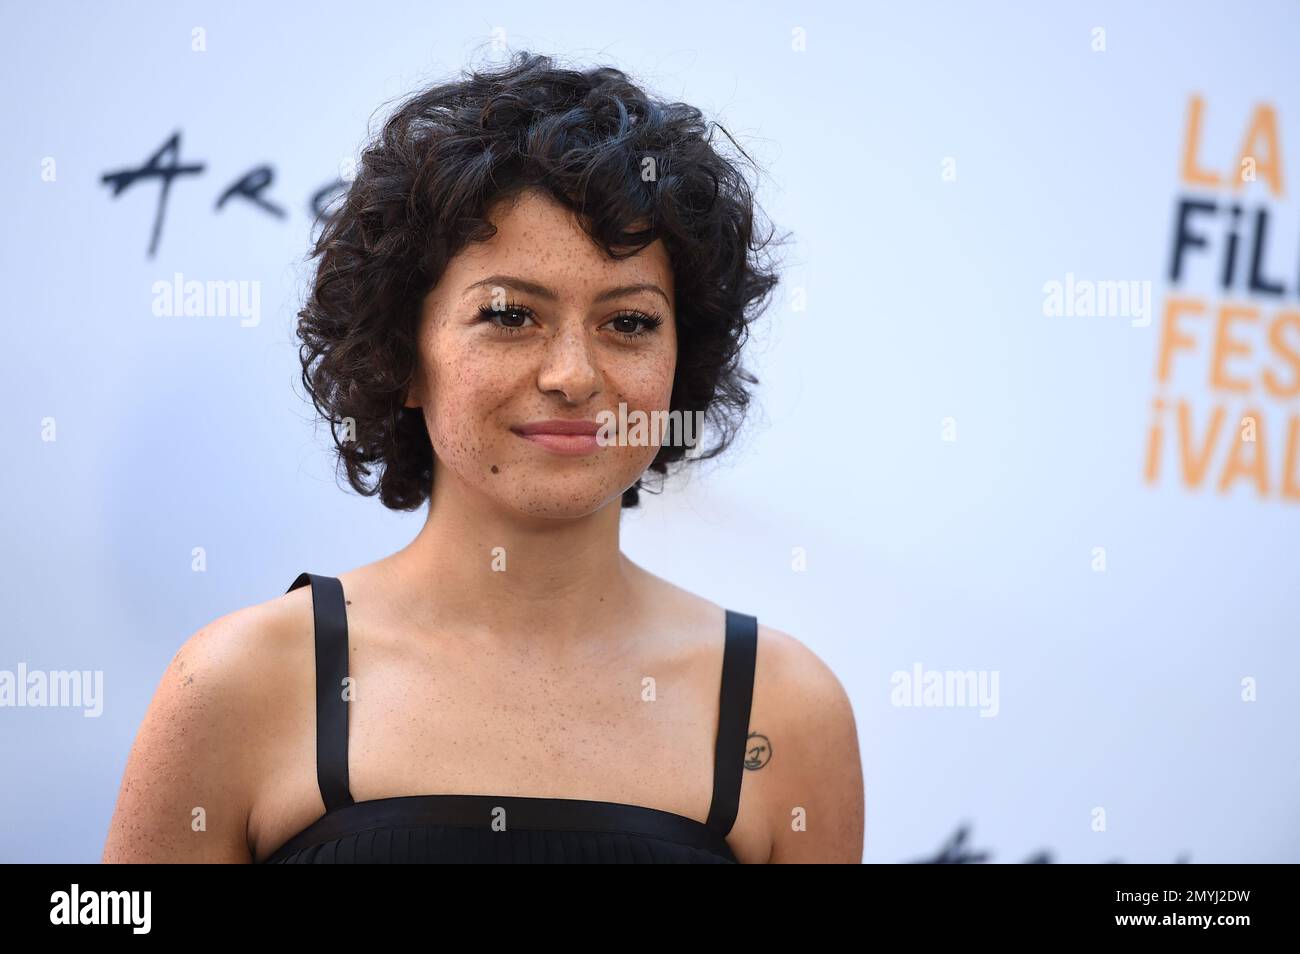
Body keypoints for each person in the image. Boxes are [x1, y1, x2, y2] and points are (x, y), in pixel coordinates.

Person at [102, 51, 863, 864]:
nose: (573, 375)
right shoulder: (237, 685)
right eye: (509, 316)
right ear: (402, 355)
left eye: (630, 323)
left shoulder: (781, 711)